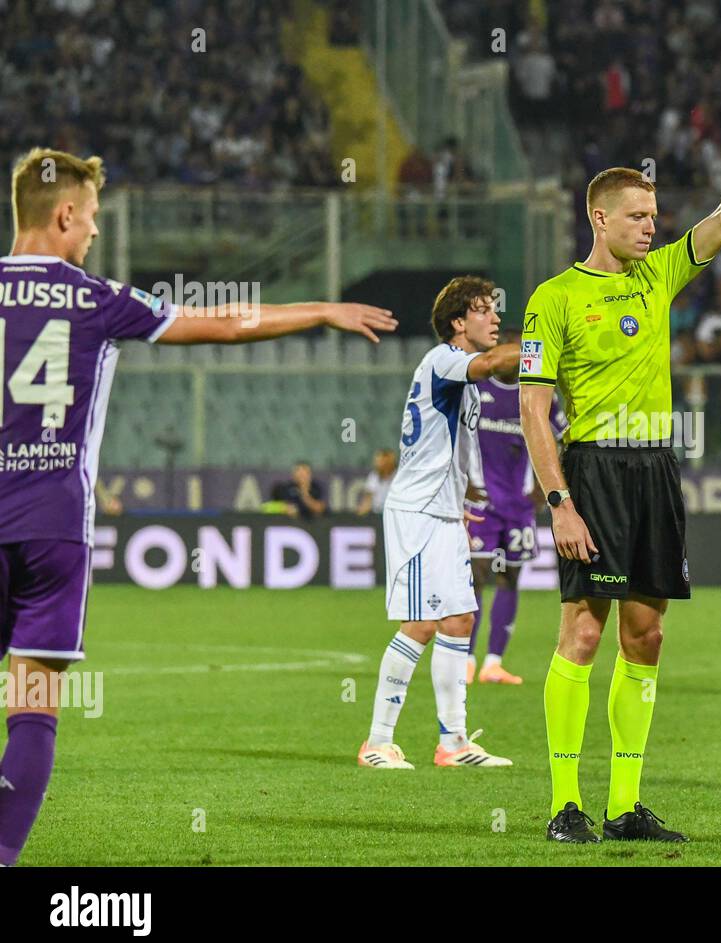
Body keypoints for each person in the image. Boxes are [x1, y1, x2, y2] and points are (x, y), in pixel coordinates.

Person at [0, 147, 395, 866]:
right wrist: (318, 309)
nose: (91, 233)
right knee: (32, 698)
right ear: (63, 214)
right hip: (52, 532)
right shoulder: (96, 299)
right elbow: (222, 324)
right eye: (89, 219)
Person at [518, 76, 721, 843]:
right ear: (599, 217)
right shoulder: (552, 298)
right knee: (582, 634)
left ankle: (623, 806)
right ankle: (563, 805)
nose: (652, 227)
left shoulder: (659, 275)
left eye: (655, 216)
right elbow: (533, 411)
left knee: (645, 636)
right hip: (593, 473)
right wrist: (560, 504)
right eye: (638, 217)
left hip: (654, 471)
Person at [357, 276, 519, 770]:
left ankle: (453, 742)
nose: (493, 317)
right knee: (422, 623)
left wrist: (469, 489)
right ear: (457, 322)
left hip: (445, 511)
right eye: (484, 310)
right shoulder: (444, 359)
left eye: (495, 310)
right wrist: (544, 341)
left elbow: (448, 441)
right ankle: (377, 742)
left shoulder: (459, 377)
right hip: (420, 510)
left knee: (459, 619)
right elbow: (494, 364)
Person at [467, 329, 567, 685]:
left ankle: (493, 662)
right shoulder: (475, 391)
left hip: (519, 507)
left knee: (509, 579)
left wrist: (545, 492)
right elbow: (452, 439)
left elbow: (564, 439)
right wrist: (462, 482)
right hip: (481, 503)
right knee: (475, 578)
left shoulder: (538, 396)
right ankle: (466, 659)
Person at [356, 448, 397, 515]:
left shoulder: (398, 476)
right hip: (376, 515)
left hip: (393, 513)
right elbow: (368, 500)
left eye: (380, 461)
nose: (377, 463)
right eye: (377, 461)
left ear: (388, 461)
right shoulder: (373, 476)